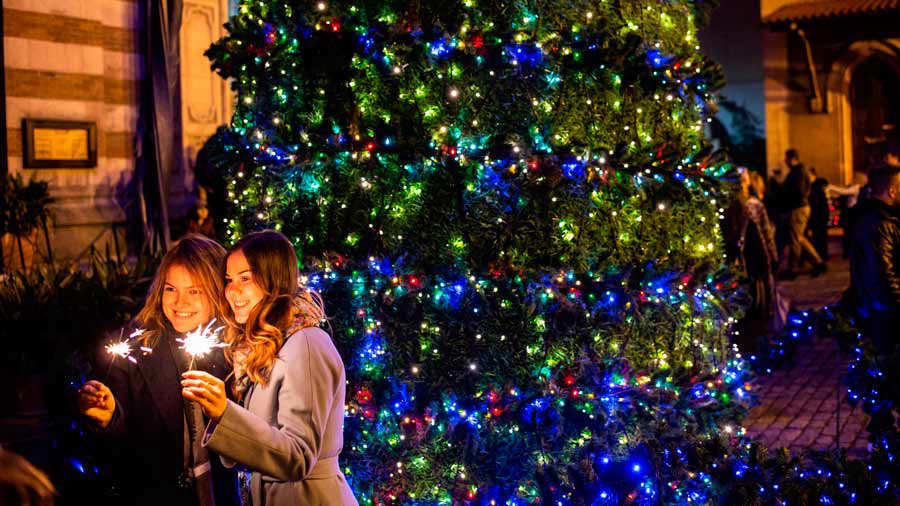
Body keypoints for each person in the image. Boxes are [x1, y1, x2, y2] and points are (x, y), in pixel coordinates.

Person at [181, 230, 357, 505]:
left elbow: (298, 457)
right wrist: (219, 415)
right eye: (229, 280)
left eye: (245, 278)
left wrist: (226, 414)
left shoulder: (306, 344)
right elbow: (262, 445)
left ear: (273, 280)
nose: (232, 291)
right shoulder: (265, 350)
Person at [77, 235, 239, 506]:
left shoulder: (238, 349)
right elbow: (119, 450)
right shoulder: (135, 349)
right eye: (171, 289)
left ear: (217, 292)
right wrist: (109, 417)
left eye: (194, 291)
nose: (179, 302)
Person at [848, 165, 900, 355]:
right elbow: (883, 274)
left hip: (881, 308)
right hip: (887, 312)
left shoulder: (879, 217)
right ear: (892, 191)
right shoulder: (879, 223)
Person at [780, 149, 826, 278]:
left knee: (795, 238)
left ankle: (794, 268)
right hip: (799, 207)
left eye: (786, 158)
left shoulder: (798, 173)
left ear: (792, 158)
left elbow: (798, 192)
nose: (785, 161)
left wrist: (787, 200)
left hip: (798, 208)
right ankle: (817, 262)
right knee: (798, 238)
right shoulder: (798, 172)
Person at [807, 168, 830, 261]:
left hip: (819, 216)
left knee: (819, 237)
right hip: (820, 215)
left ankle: (821, 256)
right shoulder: (816, 187)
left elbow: (817, 203)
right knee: (820, 237)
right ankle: (822, 255)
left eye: (809, 175)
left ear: (813, 175)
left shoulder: (815, 188)